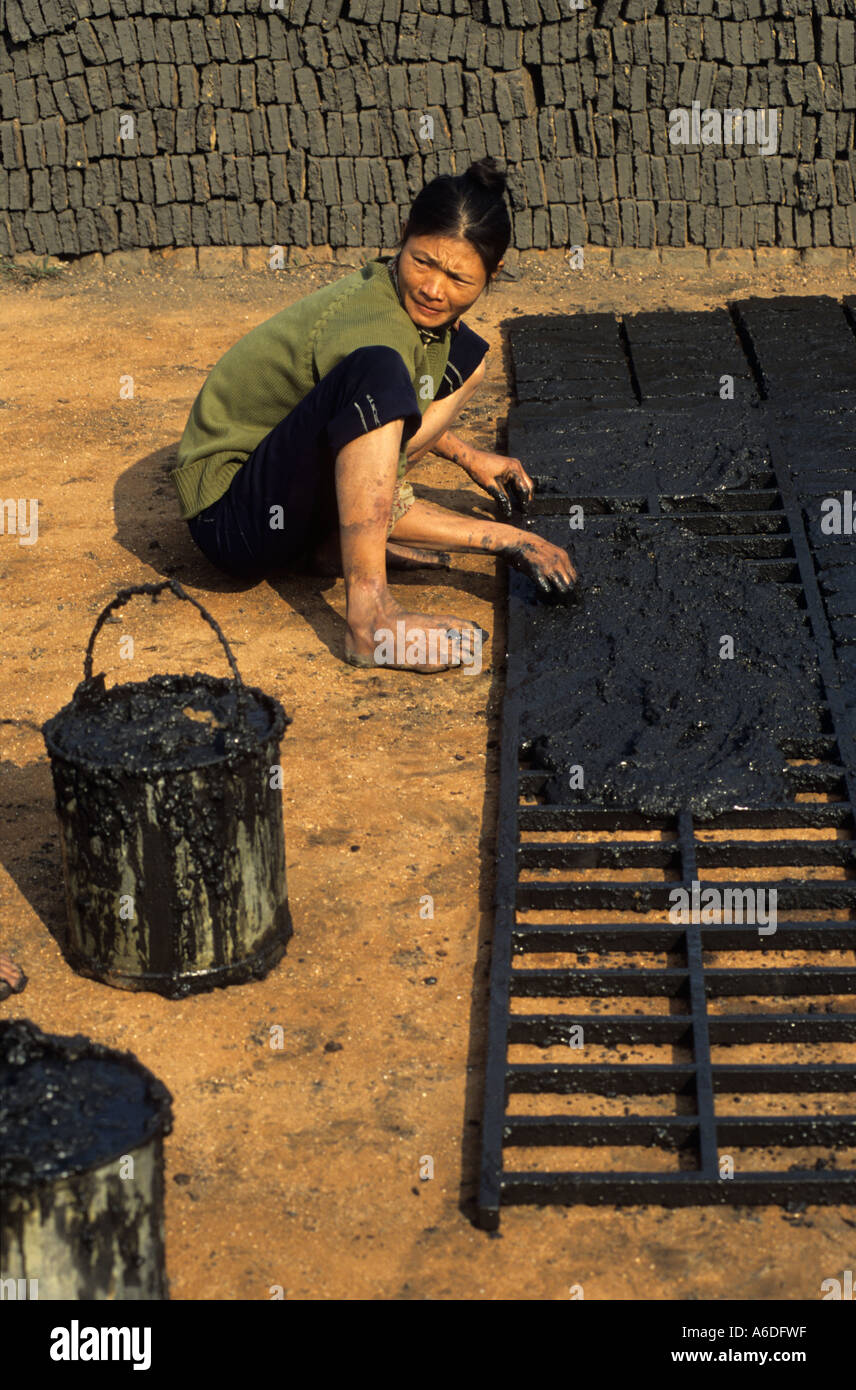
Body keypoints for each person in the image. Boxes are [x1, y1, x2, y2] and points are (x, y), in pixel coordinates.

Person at [171, 157, 576, 672]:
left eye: (458, 277)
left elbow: (374, 418)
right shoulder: (375, 327)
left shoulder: (420, 318)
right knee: (379, 373)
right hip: (230, 521)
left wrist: (469, 456)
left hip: (279, 494)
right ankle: (370, 621)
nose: (435, 288)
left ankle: (325, 545)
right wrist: (513, 540)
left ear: (492, 275)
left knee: (467, 357)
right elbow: (388, 481)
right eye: (423, 261)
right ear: (403, 235)